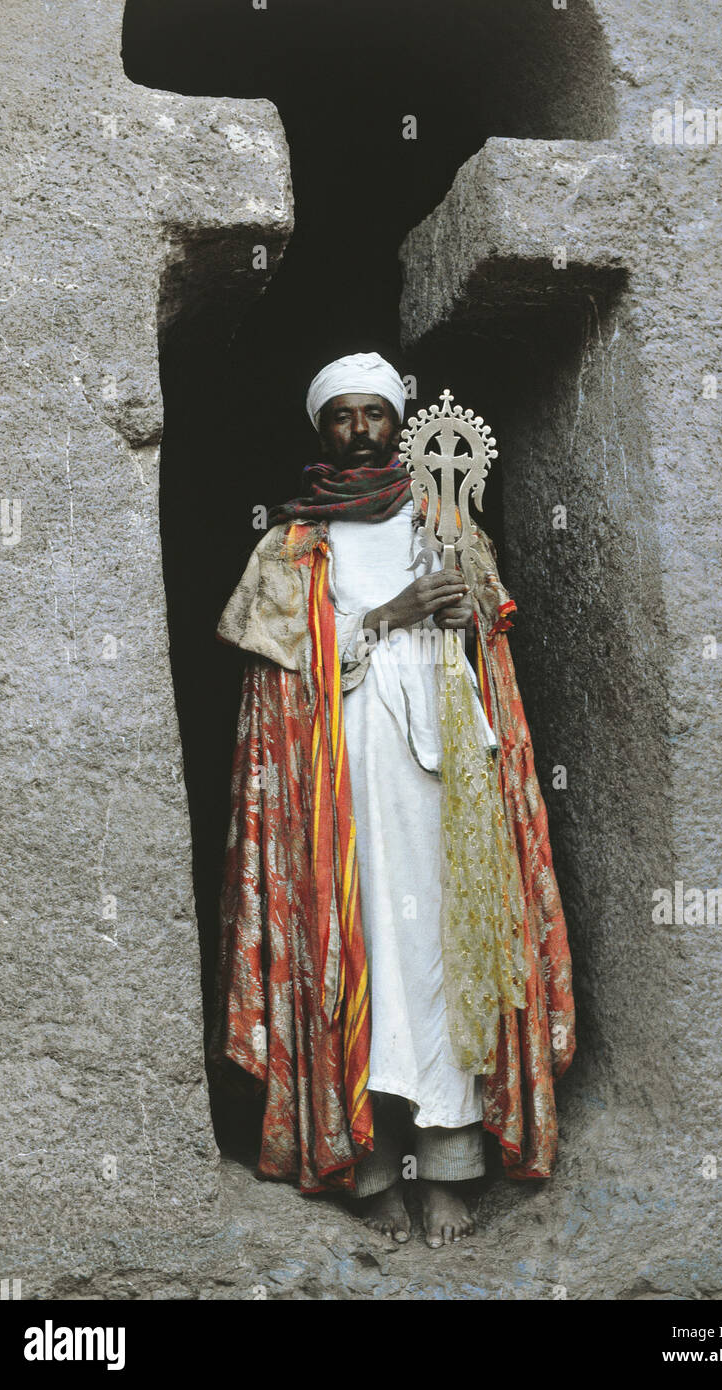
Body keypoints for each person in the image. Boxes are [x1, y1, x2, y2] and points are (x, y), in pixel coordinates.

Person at [213, 351, 575, 1249]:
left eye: (377, 413)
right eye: (343, 416)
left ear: (396, 422)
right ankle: (369, 1167)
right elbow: (279, 678)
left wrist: (464, 620)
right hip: (341, 781)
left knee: (443, 948)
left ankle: (450, 1165)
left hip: (445, 776)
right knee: (359, 944)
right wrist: (389, 614)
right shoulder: (294, 543)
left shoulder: (443, 521)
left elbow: (493, 641)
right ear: (320, 429)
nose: (361, 429)